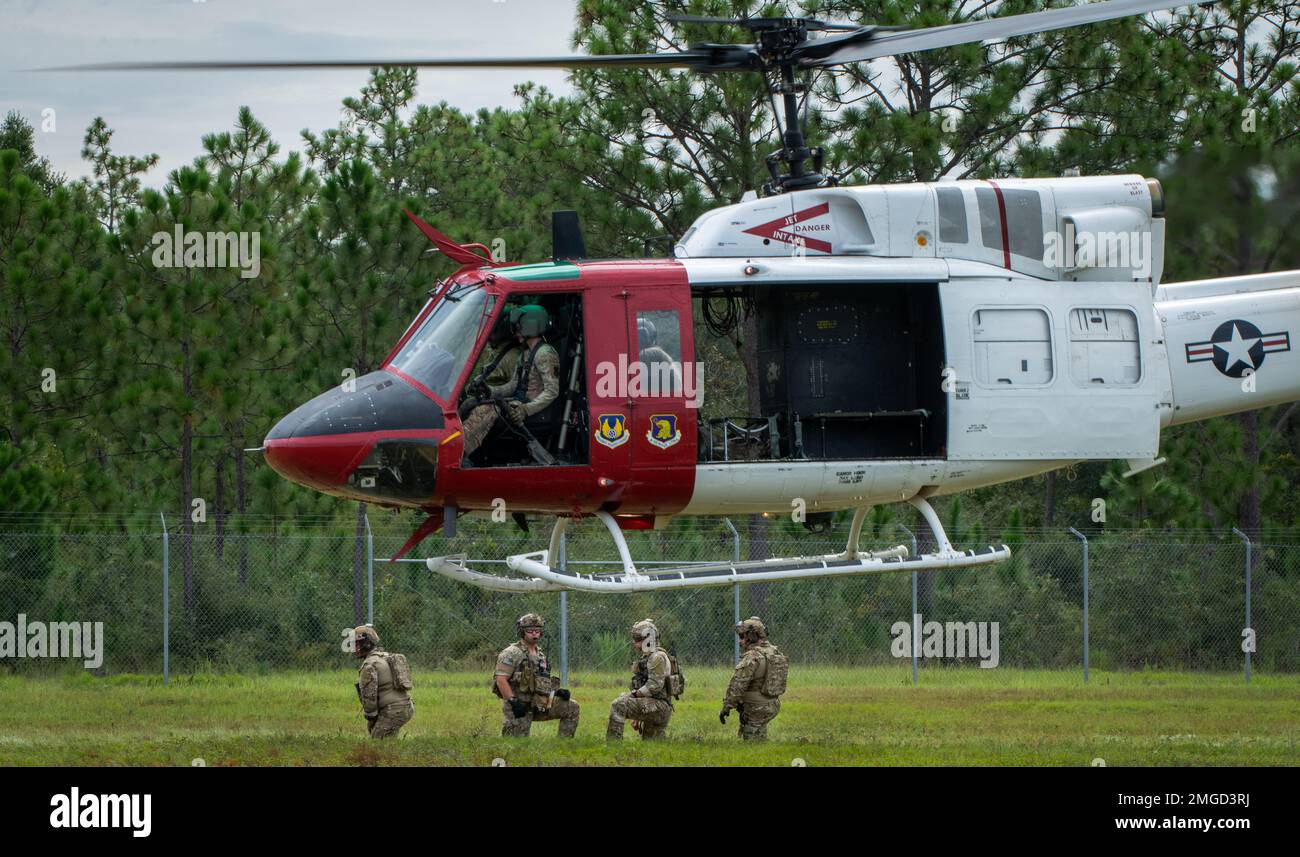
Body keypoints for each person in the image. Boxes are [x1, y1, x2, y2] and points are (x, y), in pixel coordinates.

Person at [461, 304, 560, 460]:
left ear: (530, 326)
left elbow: (552, 391)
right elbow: (513, 385)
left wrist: (525, 410)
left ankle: (461, 453)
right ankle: (462, 448)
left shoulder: (545, 353)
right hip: (519, 404)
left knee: (486, 410)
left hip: (534, 410)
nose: (515, 332)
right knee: (471, 403)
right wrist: (491, 391)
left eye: (519, 328)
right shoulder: (525, 354)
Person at [493, 613, 579, 737]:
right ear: (522, 632)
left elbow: (541, 682)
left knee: (572, 707)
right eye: (530, 631)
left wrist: (556, 693)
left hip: (540, 703)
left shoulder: (540, 655)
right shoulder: (511, 653)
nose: (534, 634)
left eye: (537, 630)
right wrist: (513, 702)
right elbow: (501, 680)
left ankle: (564, 745)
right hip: (519, 705)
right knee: (516, 744)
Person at [606, 618, 678, 741]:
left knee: (618, 704)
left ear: (648, 639)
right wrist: (637, 716)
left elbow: (654, 686)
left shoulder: (657, 658)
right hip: (657, 706)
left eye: (638, 639)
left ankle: (613, 744)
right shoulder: (649, 657)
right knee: (652, 744)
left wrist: (632, 695)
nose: (634, 642)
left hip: (659, 707)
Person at [719, 617, 788, 740]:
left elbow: (737, 686)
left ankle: (754, 743)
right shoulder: (774, 652)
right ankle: (760, 741)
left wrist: (726, 707)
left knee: (751, 741)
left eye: (742, 637)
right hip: (772, 704)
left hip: (756, 708)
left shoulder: (752, 657)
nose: (740, 641)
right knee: (760, 733)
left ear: (751, 636)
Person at [353, 625, 414, 739]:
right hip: (406, 706)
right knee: (388, 741)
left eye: (356, 644)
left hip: (393, 710)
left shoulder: (369, 665)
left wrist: (371, 719)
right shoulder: (385, 656)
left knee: (378, 742)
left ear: (366, 644)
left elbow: (369, 698)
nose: (353, 648)